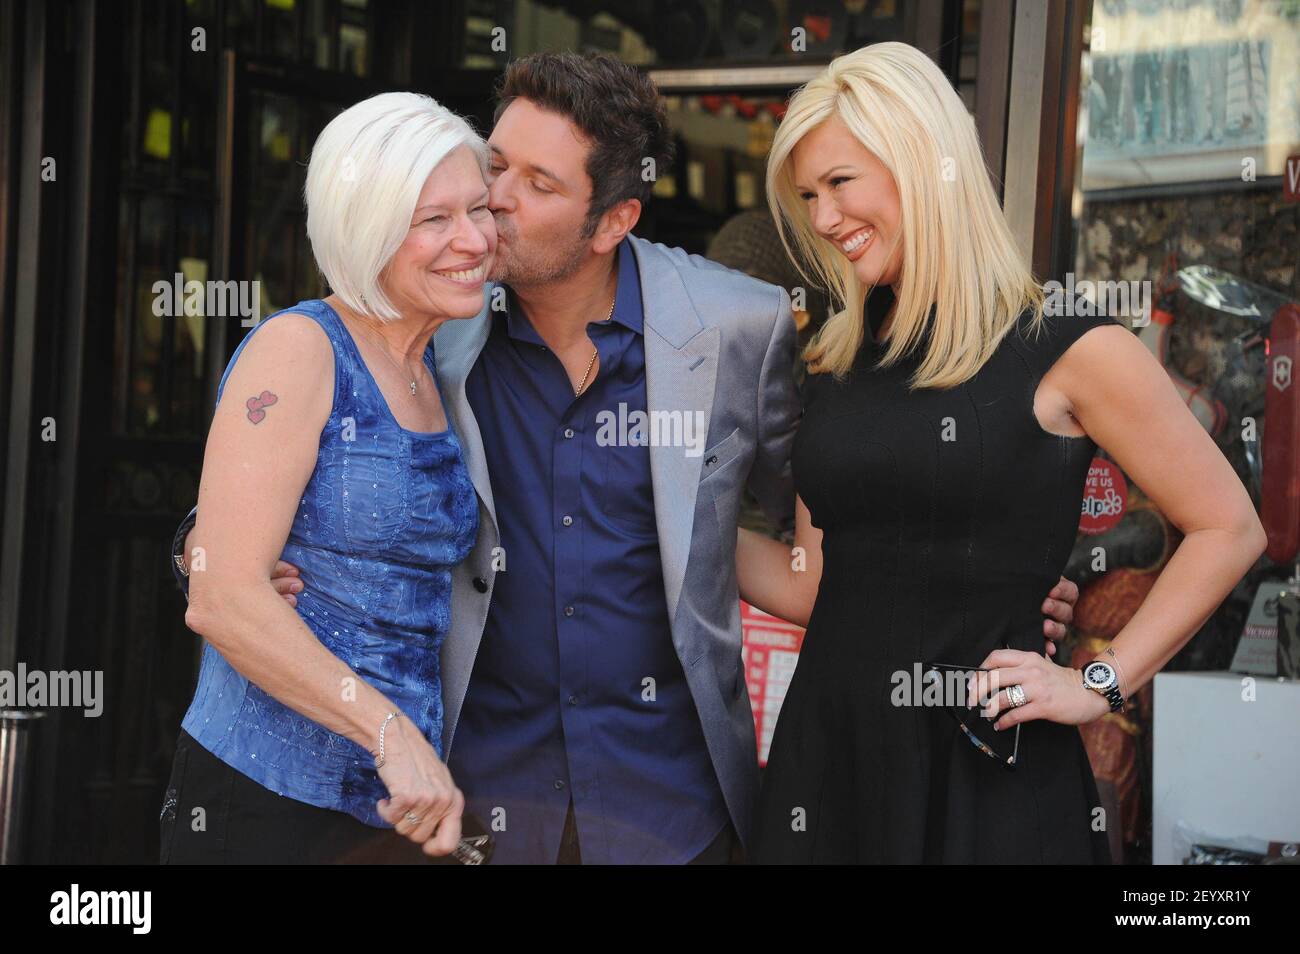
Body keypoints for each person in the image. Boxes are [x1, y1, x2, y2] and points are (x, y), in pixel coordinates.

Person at [171, 52, 1081, 864]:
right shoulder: (430, 322)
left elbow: (831, 526)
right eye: (494, 169)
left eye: (537, 183)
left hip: (670, 808)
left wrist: (974, 586)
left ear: (614, 220)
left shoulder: (736, 327)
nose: (493, 208)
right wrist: (207, 547)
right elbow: (323, 462)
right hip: (467, 799)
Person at [737, 42, 1266, 863]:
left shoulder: (1066, 350)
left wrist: (1095, 685)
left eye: (840, 183)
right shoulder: (836, 364)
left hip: (986, 778)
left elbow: (1230, 528)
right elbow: (814, 587)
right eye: (808, 195)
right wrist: (670, 515)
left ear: (924, 165)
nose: (824, 219)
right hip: (833, 763)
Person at [161, 91, 492, 863]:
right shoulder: (299, 348)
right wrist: (389, 731)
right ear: (365, 228)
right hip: (264, 797)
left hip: (394, 810)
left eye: (480, 209)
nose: (474, 239)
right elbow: (223, 594)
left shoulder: (439, 363)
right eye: (434, 219)